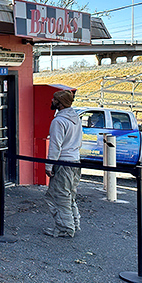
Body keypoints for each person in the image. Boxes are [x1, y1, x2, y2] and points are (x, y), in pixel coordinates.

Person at [45, 90, 82, 238]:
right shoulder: (76, 118)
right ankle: (74, 223)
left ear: (60, 103)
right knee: (70, 196)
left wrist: (49, 166)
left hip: (63, 162)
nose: (52, 101)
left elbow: (55, 146)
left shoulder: (58, 121)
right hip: (75, 161)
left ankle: (65, 228)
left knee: (57, 196)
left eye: (54, 100)